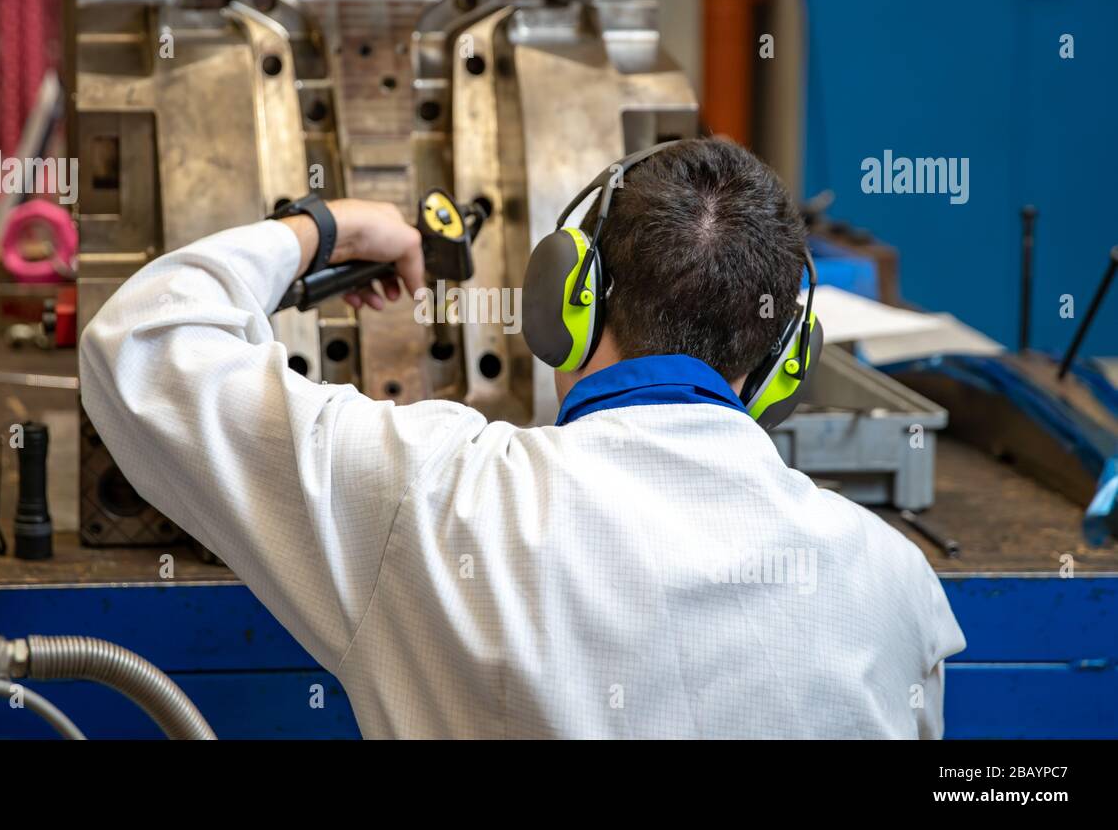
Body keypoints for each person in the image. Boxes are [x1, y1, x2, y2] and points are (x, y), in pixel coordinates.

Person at [80, 137, 965, 738]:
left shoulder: (432, 499)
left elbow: (144, 345)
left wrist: (328, 228)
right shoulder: (894, 587)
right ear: (784, 365)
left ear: (562, 304)